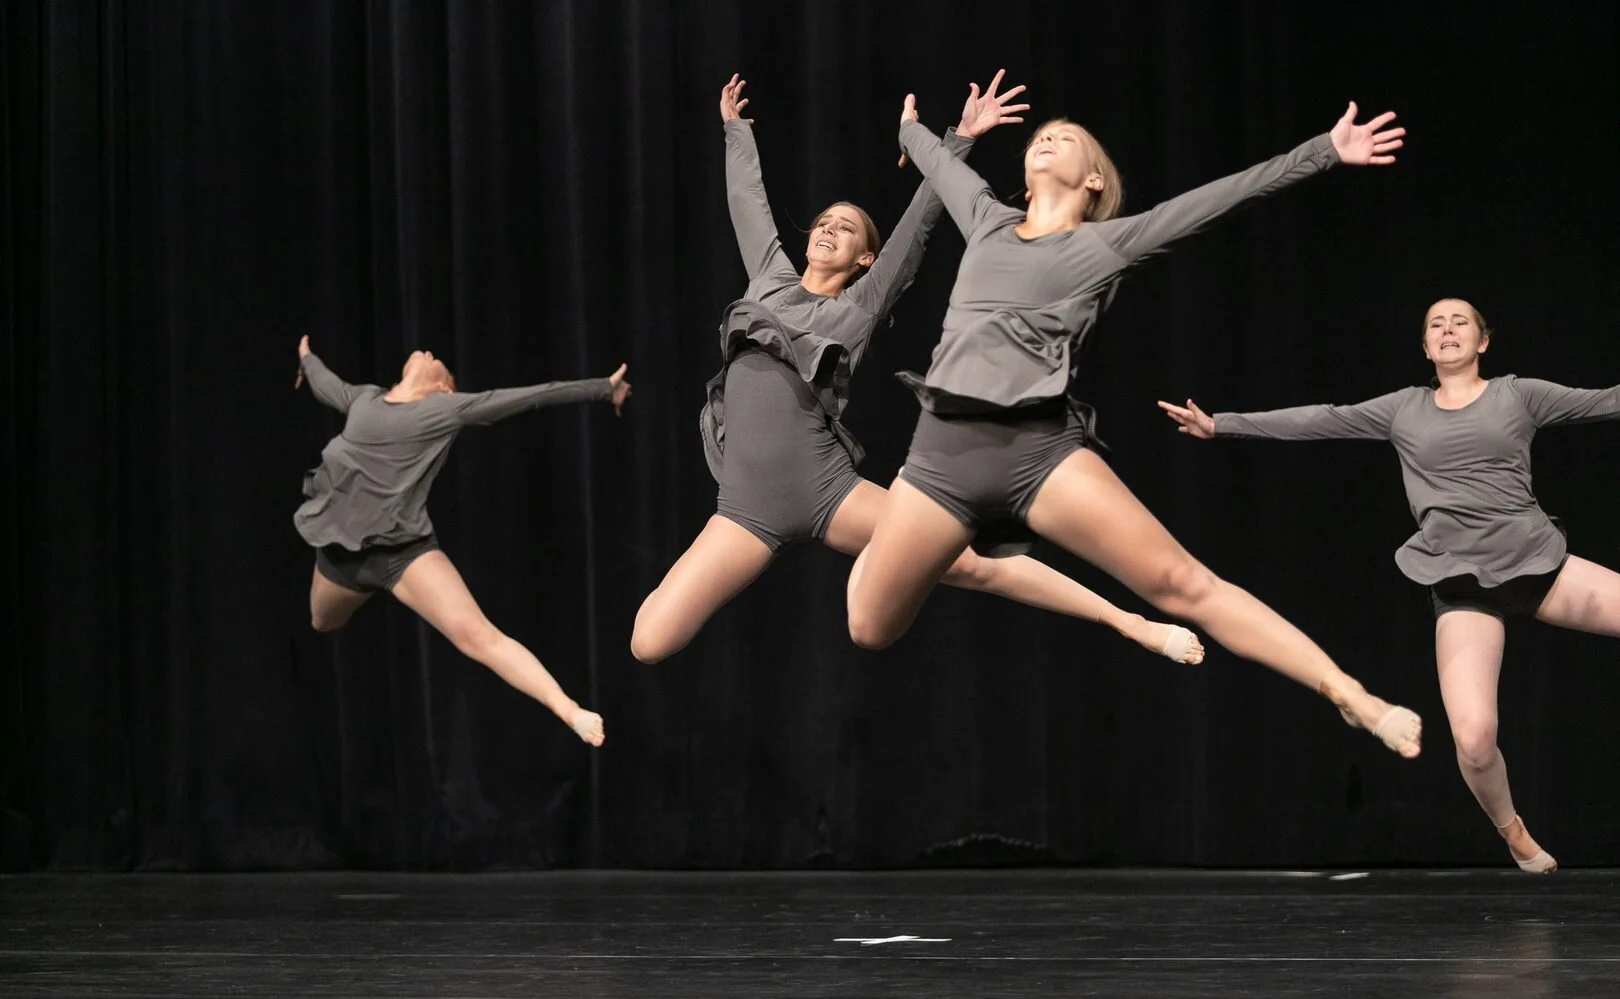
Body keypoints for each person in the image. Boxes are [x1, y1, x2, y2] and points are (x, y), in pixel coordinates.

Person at [846, 96, 1419, 758]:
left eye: (1066, 138)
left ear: (1094, 179)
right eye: (1040, 137)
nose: (1047, 140)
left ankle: (1348, 692)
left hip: (1041, 454)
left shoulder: (1108, 243)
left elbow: (1219, 200)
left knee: (1183, 583)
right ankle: (923, 544)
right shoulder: (986, 219)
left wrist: (1323, 151)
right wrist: (917, 129)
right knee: (866, 624)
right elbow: (932, 158)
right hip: (943, 457)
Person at [630, 73, 1203, 668]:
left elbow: (919, 223)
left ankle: (1126, 620)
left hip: (826, 490)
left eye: (845, 227)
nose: (828, 228)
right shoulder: (768, 282)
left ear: (866, 259)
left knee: (970, 565)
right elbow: (747, 202)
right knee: (648, 641)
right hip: (745, 506)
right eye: (824, 222)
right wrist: (736, 131)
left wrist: (959, 139)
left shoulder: (860, 304)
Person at [1159, 297, 1620, 871]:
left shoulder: (1518, 394)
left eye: (1461, 323)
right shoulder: (1405, 409)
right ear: (1426, 348)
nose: (1448, 330)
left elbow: (1607, 402)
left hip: (1538, 564)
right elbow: (1322, 419)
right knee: (1474, 740)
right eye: (1436, 324)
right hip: (1461, 586)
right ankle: (1513, 831)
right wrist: (1222, 425)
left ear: (1483, 342)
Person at [294, 335, 629, 745]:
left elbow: (529, 398)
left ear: (443, 387)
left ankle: (567, 708)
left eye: (440, 363)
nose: (430, 353)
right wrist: (306, 358)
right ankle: (357, 592)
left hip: (403, 555)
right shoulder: (365, 398)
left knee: (478, 635)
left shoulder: (443, 409)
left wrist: (601, 387)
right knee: (321, 620)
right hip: (339, 553)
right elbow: (328, 384)